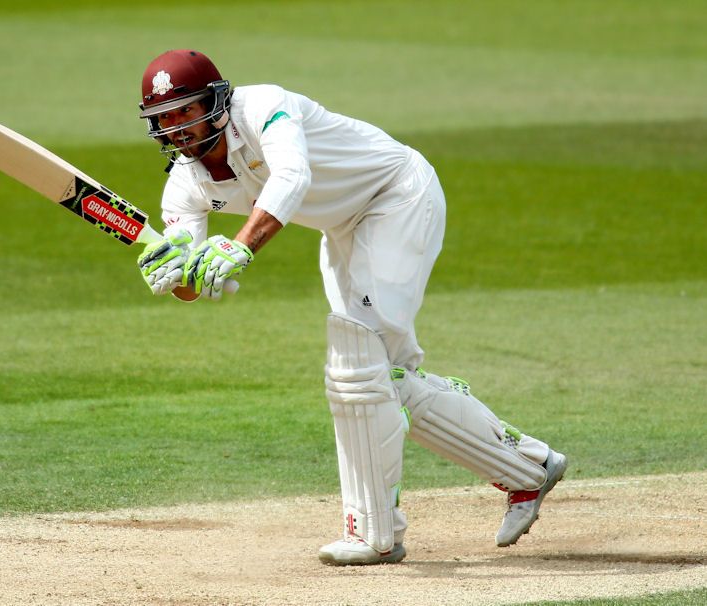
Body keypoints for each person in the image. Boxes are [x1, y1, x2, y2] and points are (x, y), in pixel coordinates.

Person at [135, 49, 567, 566]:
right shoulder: (184, 183)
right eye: (166, 117)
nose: (178, 126)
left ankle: (375, 534)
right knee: (380, 374)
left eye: (187, 109)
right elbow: (194, 276)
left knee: (357, 364)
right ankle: (527, 468)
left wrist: (239, 247)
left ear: (217, 101)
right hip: (343, 228)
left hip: (398, 195)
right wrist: (175, 274)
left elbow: (291, 177)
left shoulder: (265, 106)